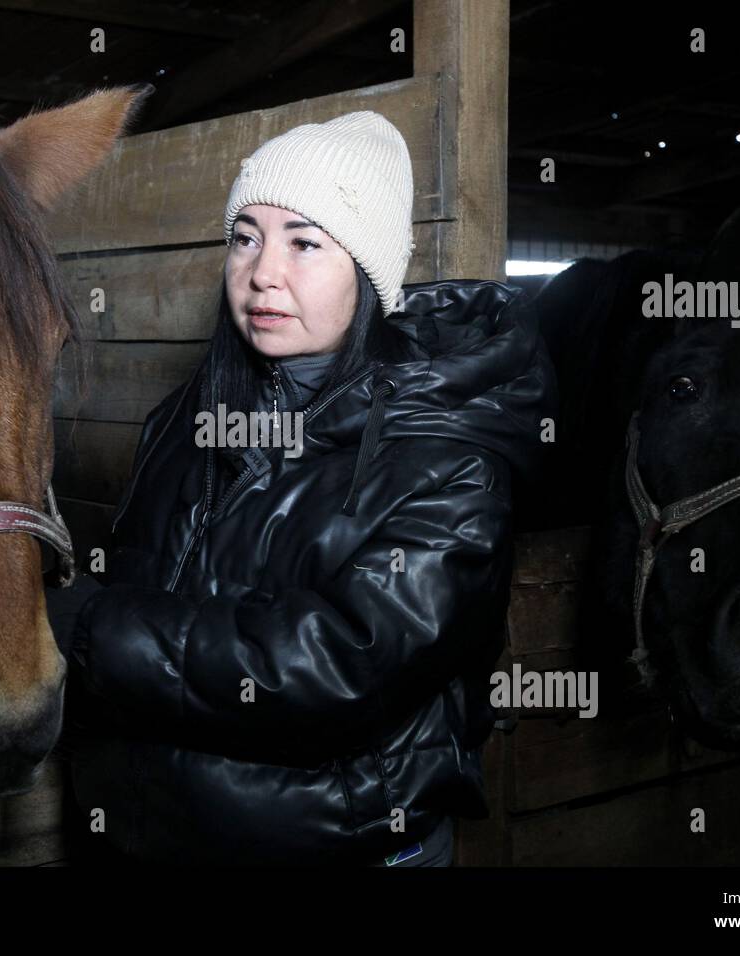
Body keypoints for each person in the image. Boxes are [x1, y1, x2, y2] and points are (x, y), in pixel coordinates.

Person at [48, 110, 557, 866]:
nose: (263, 273)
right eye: (245, 236)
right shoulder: (185, 421)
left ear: (369, 270)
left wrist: (91, 630)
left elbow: (338, 668)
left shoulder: (449, 458)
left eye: (306, 243)